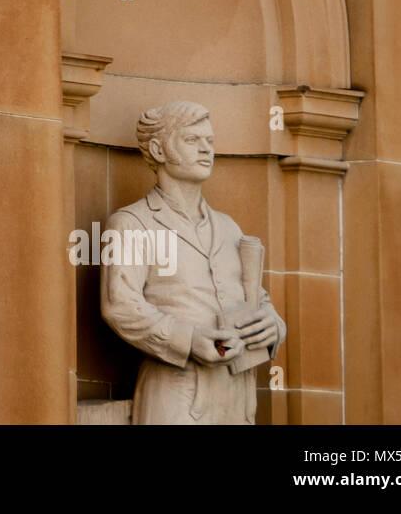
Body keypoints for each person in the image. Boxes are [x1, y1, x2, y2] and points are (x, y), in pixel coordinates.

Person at [100, 100, 285, 424]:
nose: (206, 149)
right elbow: (121, 305)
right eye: (192, 140)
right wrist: (187, 340)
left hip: (237, 397)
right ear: (158, 149)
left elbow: (254, 296)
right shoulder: (132, 222)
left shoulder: (228, 228)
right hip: (176, 390)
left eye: (210, 141)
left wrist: (272, 325)